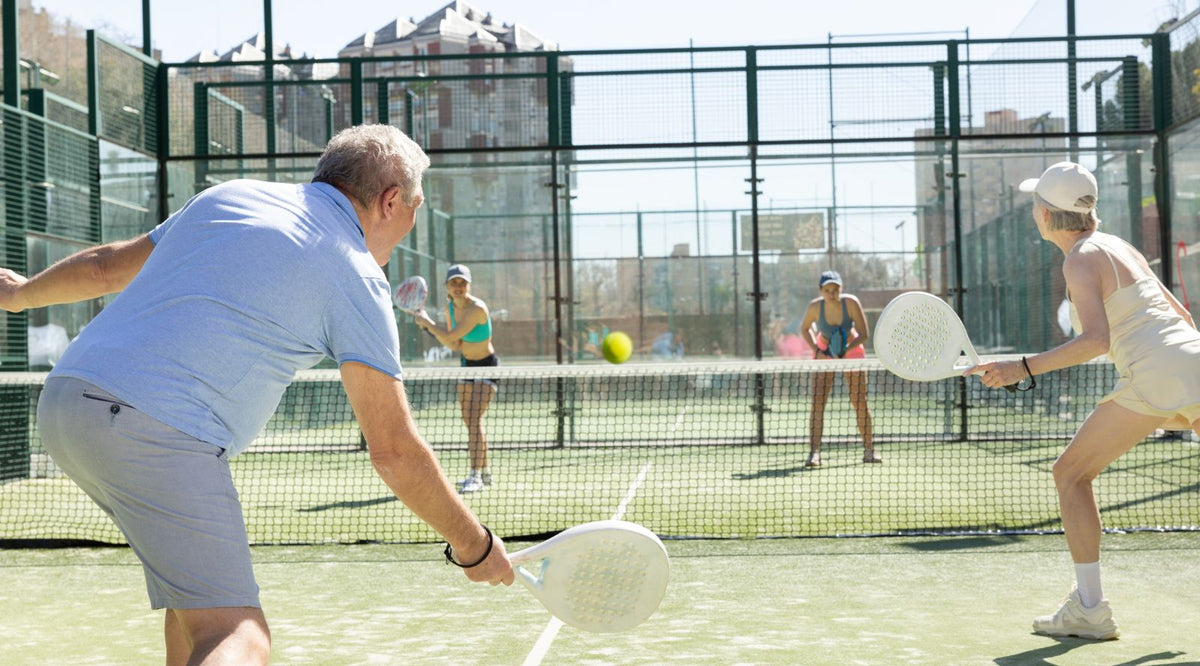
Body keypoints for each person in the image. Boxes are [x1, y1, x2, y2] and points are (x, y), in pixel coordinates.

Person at [0, 125, 513, 664]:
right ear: (390, 201)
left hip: (66, 401)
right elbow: (394, 452)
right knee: (239, 634)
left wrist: (16, 295)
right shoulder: (356, 276)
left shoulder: (230, 194)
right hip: (153, 427)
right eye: (415, 208)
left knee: (193, 607)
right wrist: (474, 545)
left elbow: (106, 267)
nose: (412, 223)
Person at [970, 161, 1200, 641]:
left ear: (1049, 217)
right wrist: (1179, 397)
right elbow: (1179, 312)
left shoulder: (1077, 260)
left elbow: (1096, 340)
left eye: (1037, 205)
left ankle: (1090, 610)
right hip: (1193, 359)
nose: (1034, 212)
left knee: (1069, 475)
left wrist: (1022, 367)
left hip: (1157, 372)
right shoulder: (1119, 245)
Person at [413, 264, 498, 494]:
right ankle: (486, 472)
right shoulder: (450, 307)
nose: (458, 287)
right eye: (454, 283)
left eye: (462, 283)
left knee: (474, 419)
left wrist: (429, 324)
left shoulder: (477, 309)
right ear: (447, 287)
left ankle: (476, 476)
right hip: (466, 366)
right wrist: (429, 328)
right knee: (469, 421)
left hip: (486, 366)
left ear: (469, 285)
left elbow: (451, 336)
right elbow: (453, 344)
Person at [799, 270, 878, 467]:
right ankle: (814, 453)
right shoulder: (814, 307)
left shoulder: (851, 303)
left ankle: (869, 450)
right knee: (818, 402)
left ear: (841, 289)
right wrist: (817, 350)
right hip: (825, 351)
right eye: (827, 290)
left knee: (859, 400)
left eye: (835, 289)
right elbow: (804, 328)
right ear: (821, 291)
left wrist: (844, 349)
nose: (832, 293)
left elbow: (864, 333)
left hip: (851, 350)